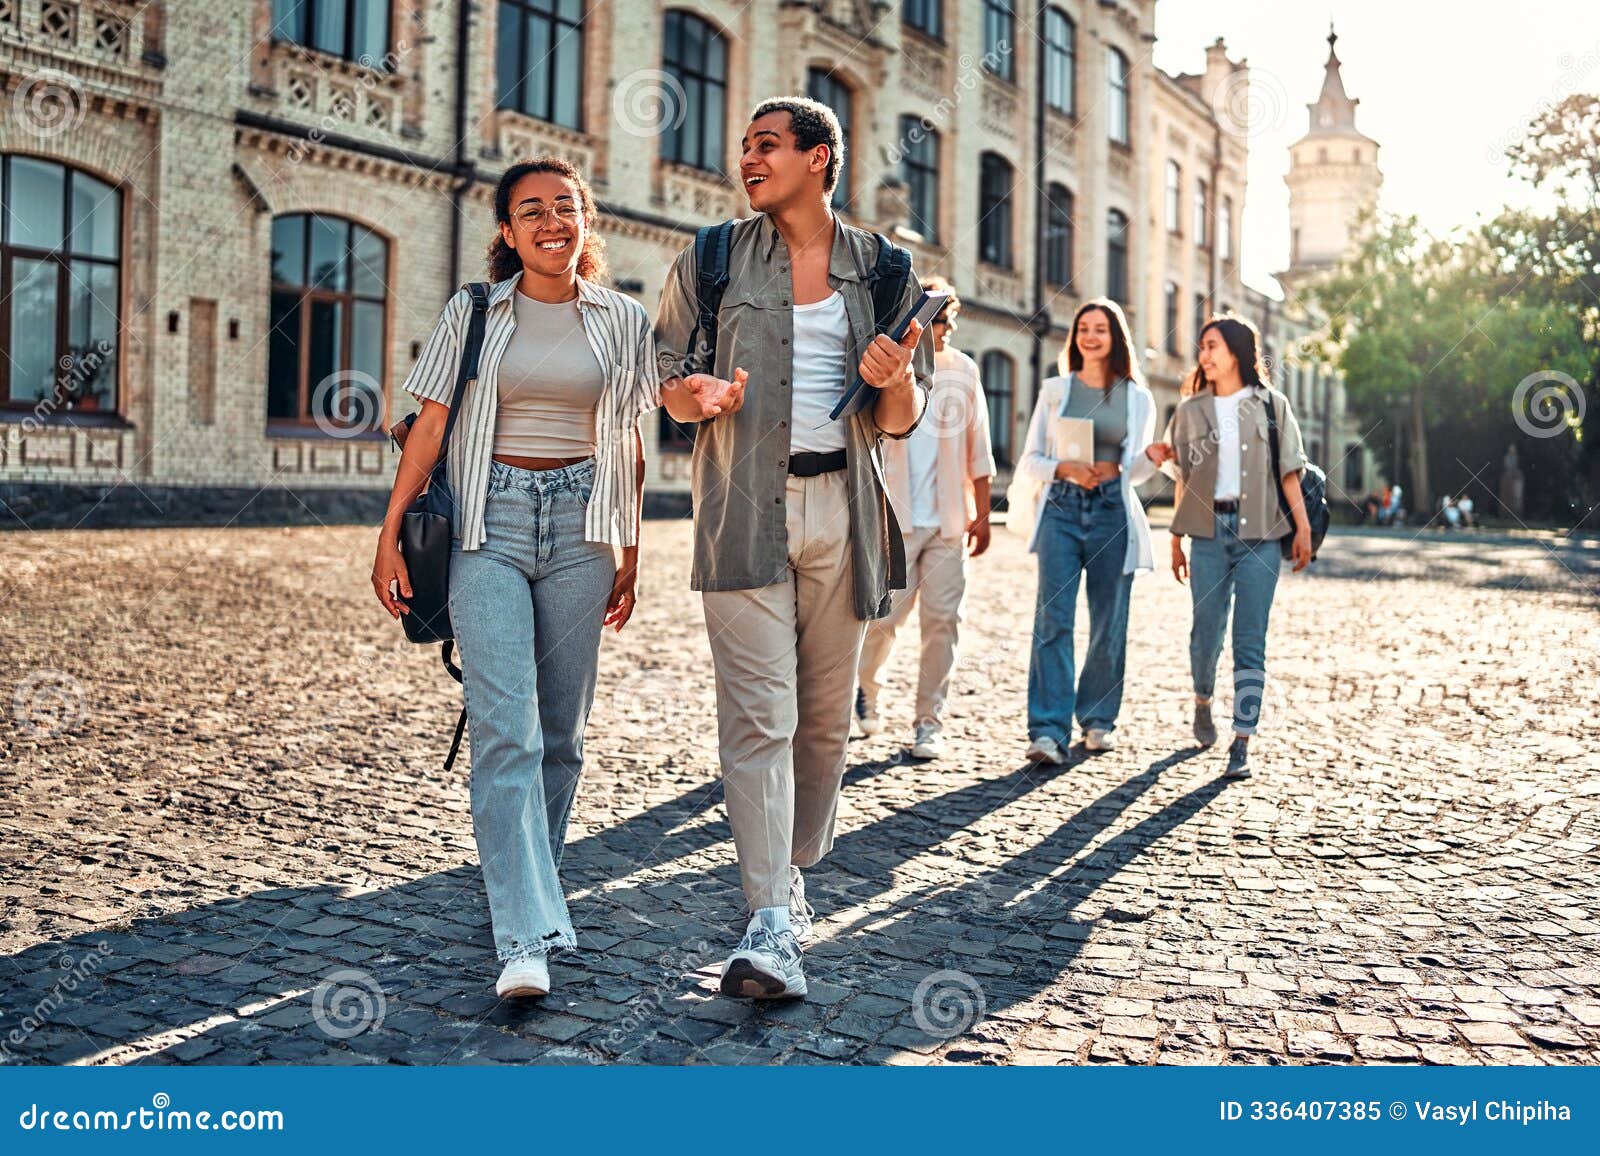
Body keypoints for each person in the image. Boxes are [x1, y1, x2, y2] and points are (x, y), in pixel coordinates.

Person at [654, 96, 931, 1000]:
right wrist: (693, 396)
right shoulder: (712, 257)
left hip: (844, 509)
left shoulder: (885, 270)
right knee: (759, 720)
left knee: (821, 724)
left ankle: (796, 867)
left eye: (767, 145)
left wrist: (895, 384)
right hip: (741, 507)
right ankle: (770, 916)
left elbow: (900, 418)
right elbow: (666, 375)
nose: (748, 159)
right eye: (744, 146)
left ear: (820, 159)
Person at [372, 158, 661, 999]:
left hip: (583, 527)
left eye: (565, 208)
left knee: (563, 736)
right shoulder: (472, 311)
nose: (550, 222)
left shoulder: (624, 319)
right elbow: (428, 430)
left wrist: (631, 549)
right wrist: (388, 535)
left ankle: (527, 882)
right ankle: (524, 934)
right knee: (509, 730)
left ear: (585, 221)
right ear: (506, 231)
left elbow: (630, 441)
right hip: (484, 525)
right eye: (530, 210)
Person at [1147, 315, 1313, 780]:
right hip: (1205, 532)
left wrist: (1301, 529)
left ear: (1238, 351)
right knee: (1206, 633)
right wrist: (1176, 537)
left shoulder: (1272, 406)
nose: (1203, 355)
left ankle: (1243, 737)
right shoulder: (1190, 410)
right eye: (1201, 347)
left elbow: (1290, 472)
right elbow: (1184, 479)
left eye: (1212, 346)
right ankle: (1203, 700)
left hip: (1261, 533)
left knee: (1249, 638)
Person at [854, 277, 996, 759]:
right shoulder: (890, 368)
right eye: (927, 320)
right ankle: (865, 696)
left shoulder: (963, 371)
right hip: (894, 518)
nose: (937, 331)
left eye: (942, 321)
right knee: (882, 620)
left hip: (949, 522)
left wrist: (983, 512)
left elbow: (979, 444)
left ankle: (928, 723)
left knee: (943, 623)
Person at [1014, 299, 1158, 765]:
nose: (1090, 336)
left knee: (1108, 621)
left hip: (1112, 510)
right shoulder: (1056, 391)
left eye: (1101, 329)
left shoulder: (1137, 397)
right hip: (1061, 508)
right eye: (1083, 329)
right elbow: (1031, 460)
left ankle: (1098, 719)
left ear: (1116, 338)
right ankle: (1047, 732)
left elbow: (1135, 472)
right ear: (1075, 337)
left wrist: (1149, 459)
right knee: (1053, 619)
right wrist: (1066, 468)